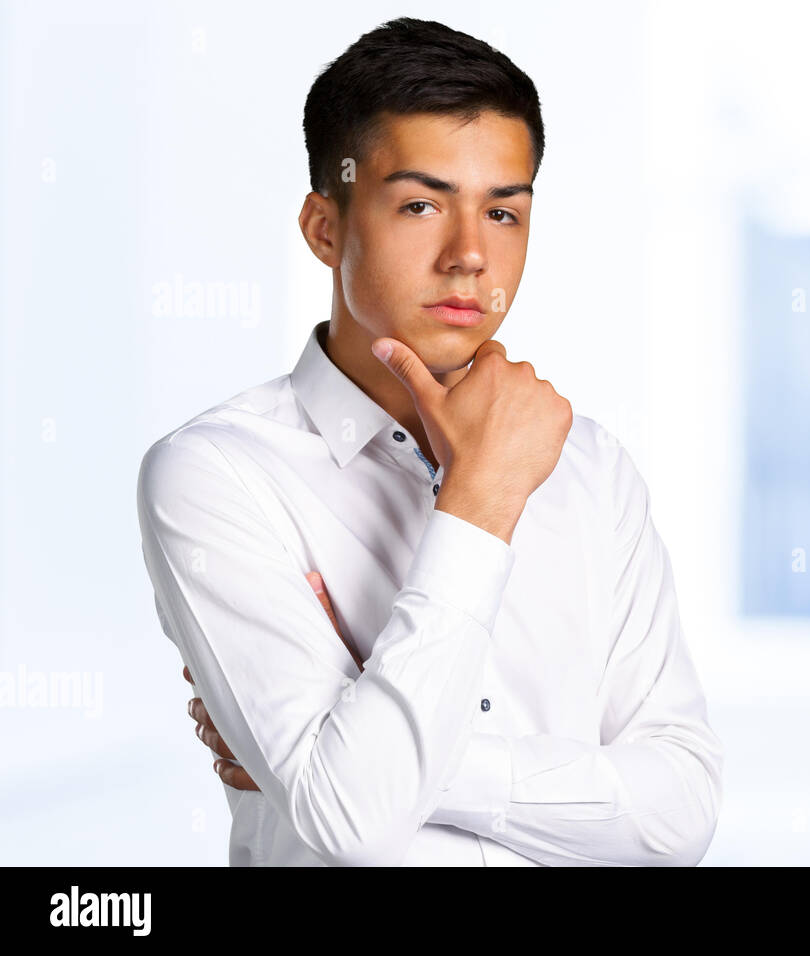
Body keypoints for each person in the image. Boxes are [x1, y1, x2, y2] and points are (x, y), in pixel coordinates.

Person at [136, 17, 723, 866]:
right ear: (324, 227)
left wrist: (365, 758)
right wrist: (481, 500)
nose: (471, 257)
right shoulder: (216, 474)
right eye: (420, 205)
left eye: (504, 213)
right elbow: (349, 823)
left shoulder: (592, 468)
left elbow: (681, 815)